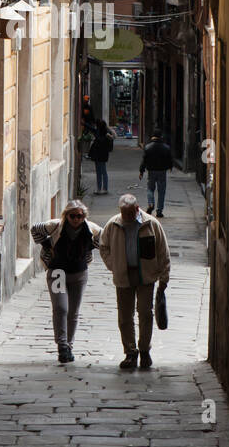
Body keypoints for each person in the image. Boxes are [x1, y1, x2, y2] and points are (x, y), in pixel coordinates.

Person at [99, 193, 170, 370]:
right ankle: (130, 352)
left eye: (130, 213)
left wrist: (164, 277)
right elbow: (103, 246)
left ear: (137, 209)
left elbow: (163, 252)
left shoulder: (151, 224)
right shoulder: (114, 224)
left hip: (146, 275)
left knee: (145, 313)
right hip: (123, 275)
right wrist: (113, 265)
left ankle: (145, 351)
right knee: (125, 316)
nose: (127, 217)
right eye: (124, 213)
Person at [31, 201, 101, 364]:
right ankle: (62, 346)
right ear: (66, 215)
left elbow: (103, 237)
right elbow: (35, 229)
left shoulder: (90, 228)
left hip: (79, 274)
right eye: (73, 216)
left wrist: (89, 248)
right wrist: (47, 245)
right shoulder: (55, 225)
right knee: (61, 308)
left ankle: (69, 345)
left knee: (73, 311)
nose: (76, 219)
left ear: (84, 216)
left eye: (80, 216)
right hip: (57, 272)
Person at [139, 131, 173, 217]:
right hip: (162, 172)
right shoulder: (166, 147)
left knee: (150, 189)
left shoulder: (147, 147)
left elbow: (144, 161)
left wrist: (141, 172)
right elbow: (169, 159)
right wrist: (170, 167)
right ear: (161, 136)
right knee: (162, 191)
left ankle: (151, 203)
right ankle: (159, 211)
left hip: (151, 171)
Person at [87, 119, 114, 194]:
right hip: (103, 155)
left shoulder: (98, 133)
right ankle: (104, 189)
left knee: (99, 172)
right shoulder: (106, 133)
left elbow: (90, 128)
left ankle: (100, 189)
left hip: (97, 155)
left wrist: (83, 123)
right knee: (103, 171)